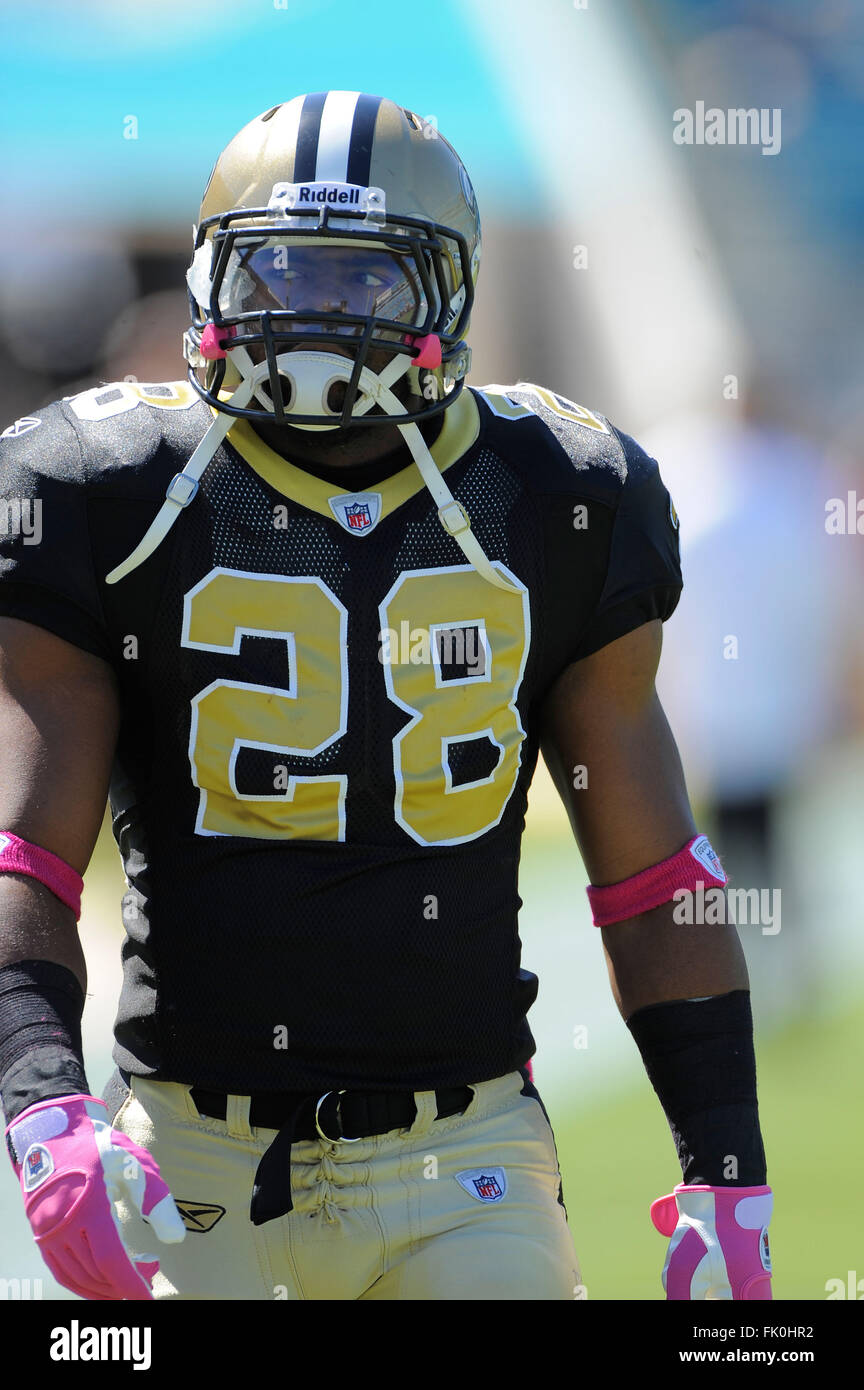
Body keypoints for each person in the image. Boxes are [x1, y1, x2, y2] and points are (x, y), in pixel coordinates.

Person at [0, 92, 770, 1301]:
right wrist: (43, 1106)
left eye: (360, 281)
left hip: (465, 1156)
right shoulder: (106, 490)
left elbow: (651, 872)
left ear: (446, 298)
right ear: (212, 279)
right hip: (184, 1150)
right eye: (275, 271)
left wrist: (727, 1164)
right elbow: (25, 857)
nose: (308, 314)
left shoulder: (563, 496)